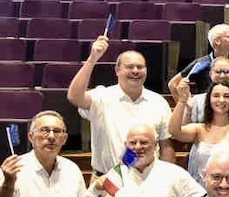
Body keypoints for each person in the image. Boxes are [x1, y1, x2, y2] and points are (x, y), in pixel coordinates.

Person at [67, 35, 174, 184]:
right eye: (130, 67)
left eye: (140, 67)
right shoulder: (102, 96)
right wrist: (92, 59)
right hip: (106, 181)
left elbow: (166, 146)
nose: (136, 71)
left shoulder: (159, 102)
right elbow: (74, 97)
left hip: (147, 181)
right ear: (117, 70)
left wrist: (166, 181)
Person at [168, 78, 229, 183]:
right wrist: (182, 101)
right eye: (216, 96)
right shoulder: (199, 129)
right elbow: (174, 131)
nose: (221, 100)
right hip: (201, 187)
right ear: (209, 99)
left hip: (228, 186)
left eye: (227, 96)